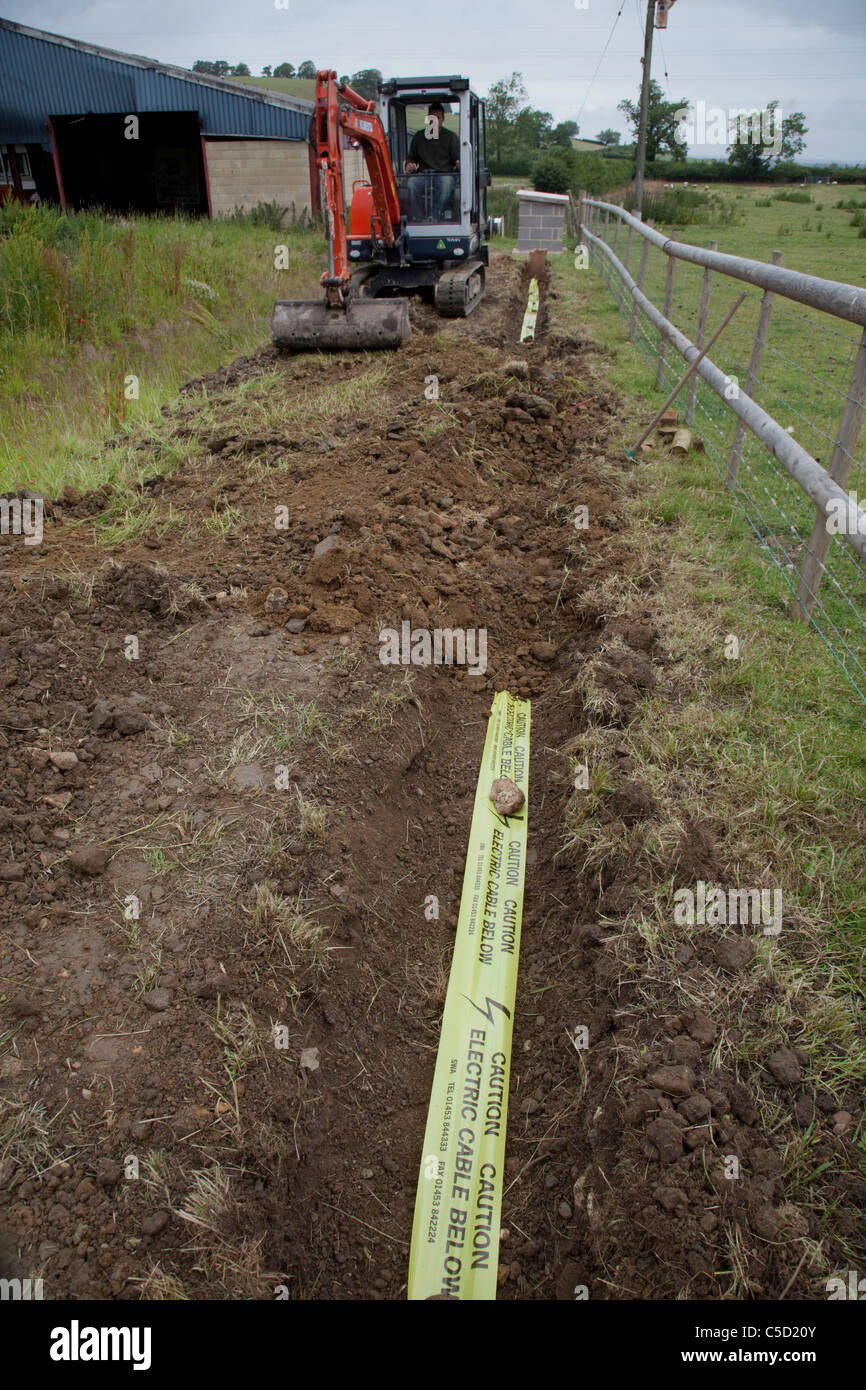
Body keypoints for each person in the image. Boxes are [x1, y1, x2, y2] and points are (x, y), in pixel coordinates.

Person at [405, 103, 459, 222]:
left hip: (444, 174)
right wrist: (409, 165)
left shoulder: (451, 137)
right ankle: (417, 218)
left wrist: (460, 163)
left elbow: (457, 159)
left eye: (437, 118)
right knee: (411, 184)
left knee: (446, 184)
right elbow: (411, 158)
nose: (434, 121)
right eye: (431, 118)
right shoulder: (419, 137)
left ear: (443, 119)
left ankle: (435, 217)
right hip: (423, 174)